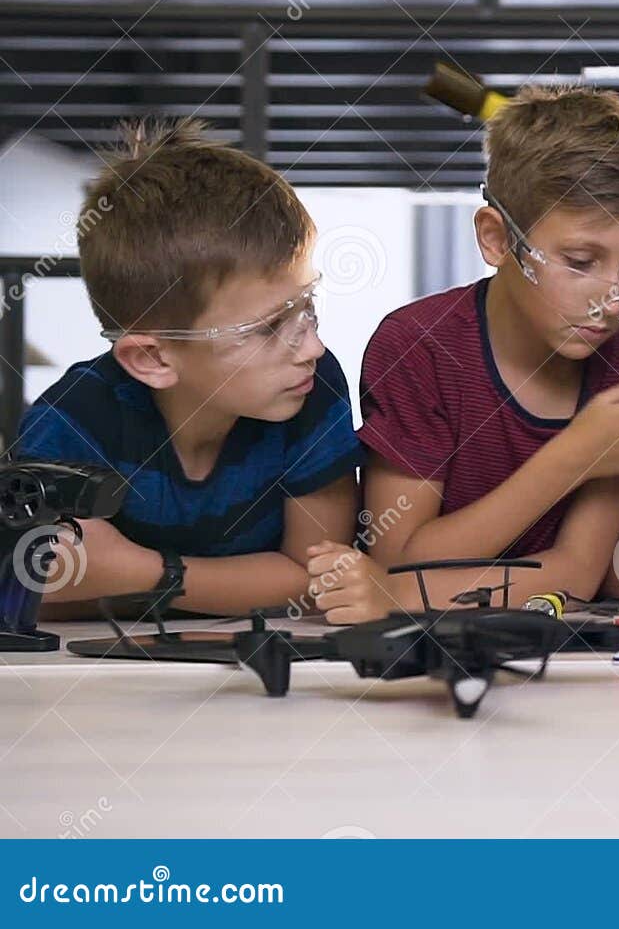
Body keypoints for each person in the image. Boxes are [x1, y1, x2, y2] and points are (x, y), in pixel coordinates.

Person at [308, 84, 619, 622]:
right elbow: (398, 560)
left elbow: (577, 576)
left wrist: (403, 595)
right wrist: (575, 454)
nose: (613, 299)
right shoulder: (418, 347)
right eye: (579, 261)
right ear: (496, 238)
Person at [14, 119, 360, 617]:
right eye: (267, 328)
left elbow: (314, 583)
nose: (313, 347)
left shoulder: (312, 389)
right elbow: (38, 593)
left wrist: (143, 572)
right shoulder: (72, 423)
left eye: (307, 307)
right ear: (152, 358)